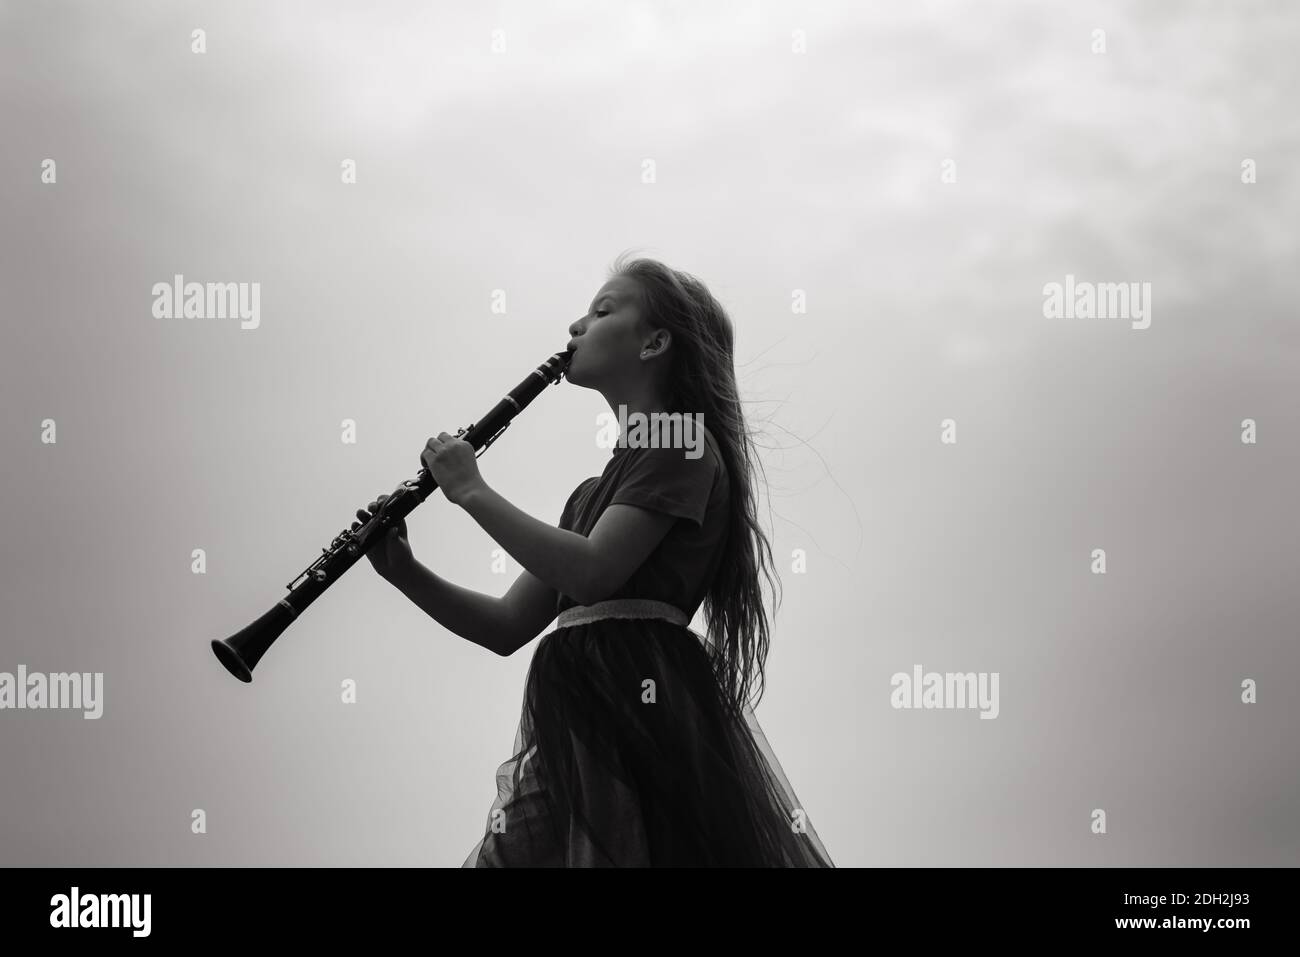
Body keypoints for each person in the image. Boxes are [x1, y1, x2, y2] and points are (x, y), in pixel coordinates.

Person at [358, 253, 835, 867]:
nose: (576, 327)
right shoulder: (589, 495)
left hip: (638, 704)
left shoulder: (681, 439)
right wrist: (405, 573)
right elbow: (506, 626)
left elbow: (593, 571)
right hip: (576, 711)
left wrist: (470, 491)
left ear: (655, 342)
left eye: (603, 311)